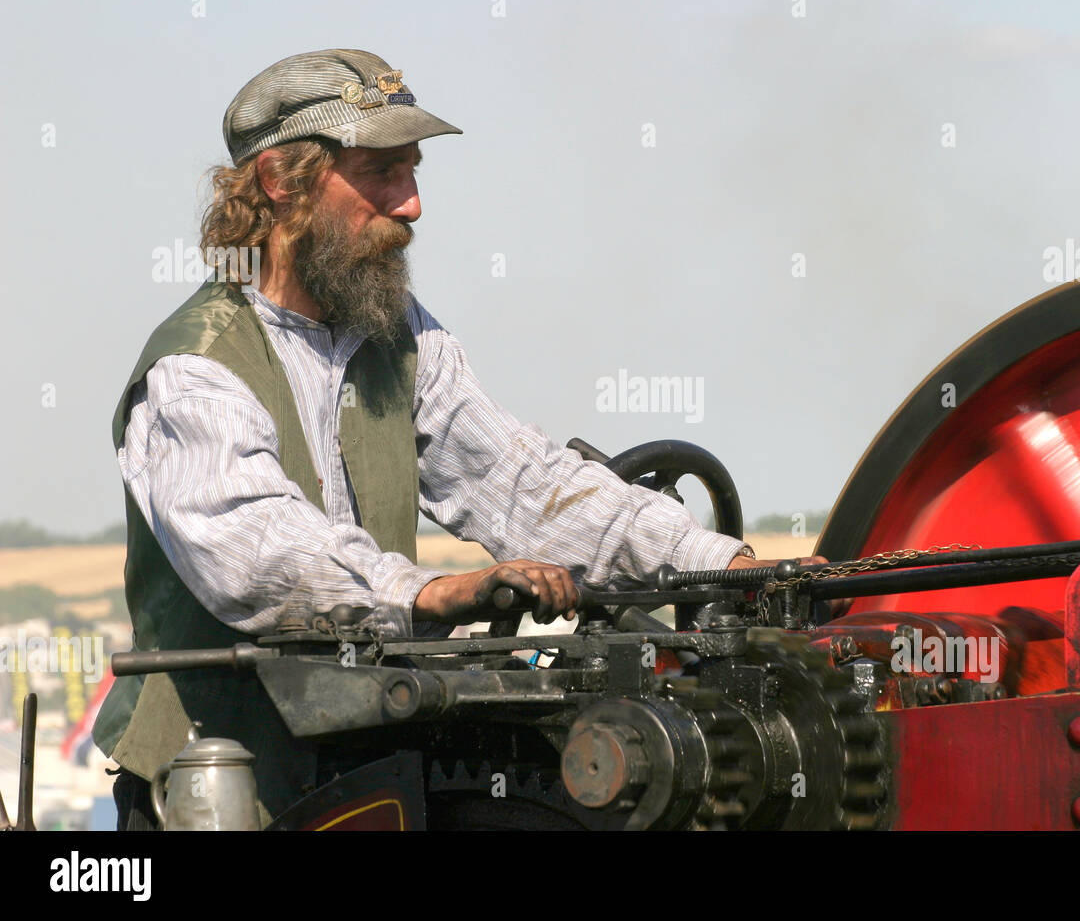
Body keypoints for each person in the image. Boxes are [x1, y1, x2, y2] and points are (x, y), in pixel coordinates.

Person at [96, 49, 805, 829]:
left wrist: (730, 567)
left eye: (414, 169)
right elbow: (258, 548)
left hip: (369, 768)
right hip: (227, 790)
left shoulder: (398, 335)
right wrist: (424, 593)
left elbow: (519, 481)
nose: (412, 206)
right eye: (381, 173)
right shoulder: (196, 367)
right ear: (279, 181)